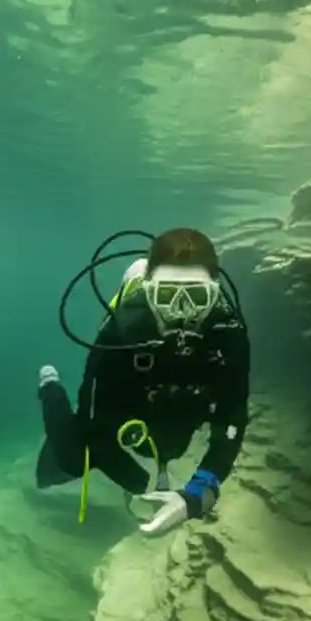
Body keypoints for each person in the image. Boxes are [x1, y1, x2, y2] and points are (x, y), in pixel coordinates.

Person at [36, 227, 251, 536]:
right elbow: (92, 422)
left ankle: (161, 459)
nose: (182, 314)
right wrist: (138, 483)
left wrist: (196, 497)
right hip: (128, 395)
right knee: (70, 457)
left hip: (185, 399)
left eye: (197, 297)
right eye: (166, 296)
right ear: (148, 291)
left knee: (172, 448)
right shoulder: (120, 332)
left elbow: (232, 418)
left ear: (215, 293)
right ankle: (49, 387)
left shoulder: (230, 335)